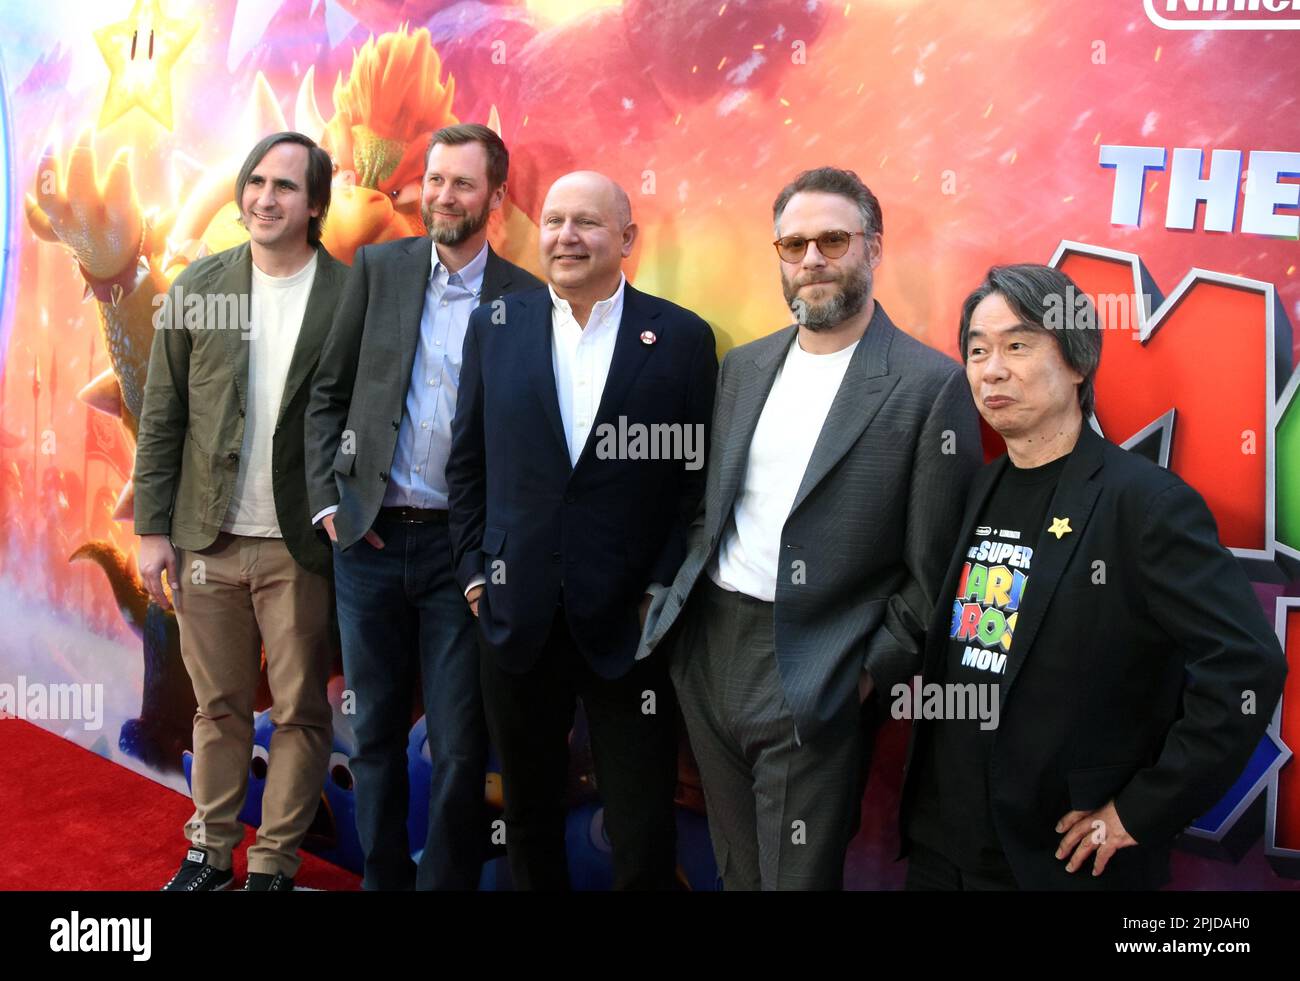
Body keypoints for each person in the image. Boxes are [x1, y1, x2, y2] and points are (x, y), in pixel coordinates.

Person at [638, 166, 983, 890]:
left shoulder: (929, 386)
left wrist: (857, 679)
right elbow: (711, 506)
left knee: (795, 879)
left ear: (874, 248)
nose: (812, 259)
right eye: (793, 245)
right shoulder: (745, 365)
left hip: (815, 665)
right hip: (708, 648)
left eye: (833, 239)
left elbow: (933, 576)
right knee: (735, 870)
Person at [899, 263, 1288, 890]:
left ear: (1077, 361)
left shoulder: (1146, 505)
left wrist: (1141, 810)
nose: (991, 369)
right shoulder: (979, 485)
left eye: (1017, 345)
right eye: (977, 350)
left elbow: (1247, 666)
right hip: (941, 843)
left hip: (1054, 858)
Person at [447, 170, 717, 890]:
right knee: (529, 814)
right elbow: (467, 463)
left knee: (641, 823)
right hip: (514, 614)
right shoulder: (495, 325)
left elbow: (694, 486)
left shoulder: (683, 340)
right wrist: (476, 572)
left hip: (630, 629)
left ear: (627, 239)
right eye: (555, 220)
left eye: (587, 223)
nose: (566, 236)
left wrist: (658, 587)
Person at [305, 123, 541, 890]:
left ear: (495, 197)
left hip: (458, 556)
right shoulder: (377, 269)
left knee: (458, 745)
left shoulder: (528, 300)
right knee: (371, 731)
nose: (443, 195)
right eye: (435, 179)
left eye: (463, 183)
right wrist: (327, 502)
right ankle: (381, 880)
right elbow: (327, 394)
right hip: (367, 542)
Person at [135, 131, 346, 891]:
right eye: (256, 181)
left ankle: (273, 866)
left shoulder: (349, 296)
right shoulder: (198, 287)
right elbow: (162, 417)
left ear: (315, 203)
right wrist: (151, 530)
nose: (264, 196)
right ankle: (208, 852)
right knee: (217, 706)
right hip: (206, 537)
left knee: (298, 712)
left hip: (302, 545)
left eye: (285, 186)